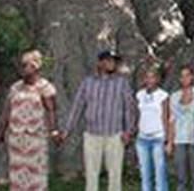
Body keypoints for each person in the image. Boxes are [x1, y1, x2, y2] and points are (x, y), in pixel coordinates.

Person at [59, 50, 137, 191]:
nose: (112, 63)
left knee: (114, 173)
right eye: (109, 60)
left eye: (114, 61)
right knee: (91, 173)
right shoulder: (88, 82)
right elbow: (77, 107)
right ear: (100, 62)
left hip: (114, 135)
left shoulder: (121, 83)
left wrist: (128, 131)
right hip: (92, 135)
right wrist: (66, 131)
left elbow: (129, 108)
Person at [1, 51, 58, 191]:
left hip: (35, 141)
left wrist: (54, 130)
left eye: (25, 65)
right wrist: (1, 131)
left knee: (36, 177)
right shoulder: (15, 87)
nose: (22, 68)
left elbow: (52, 110)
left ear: (35, 66)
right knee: (17, 177)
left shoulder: (45, 87)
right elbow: (7, 111)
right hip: (17, 140)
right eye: (21, 65)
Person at [134, 65, 172, 191]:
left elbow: (166, 118)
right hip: (142, 139)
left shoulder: (163, 95)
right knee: (145, 174)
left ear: (158, 79)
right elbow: (138, 115)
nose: (150, 80)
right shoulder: (139, 95)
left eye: (153, 77)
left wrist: (168, 141)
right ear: (144, 79)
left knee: (160, 175)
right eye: (147, 77)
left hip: (158, 139)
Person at [170, 66, 194, 191]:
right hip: (179, 139)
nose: (185, 78)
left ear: (192, 76)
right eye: (182, 76)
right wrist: (170, 141)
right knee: (181, 176)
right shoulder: (174, 96)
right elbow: (172, 120)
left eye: (187, 75)